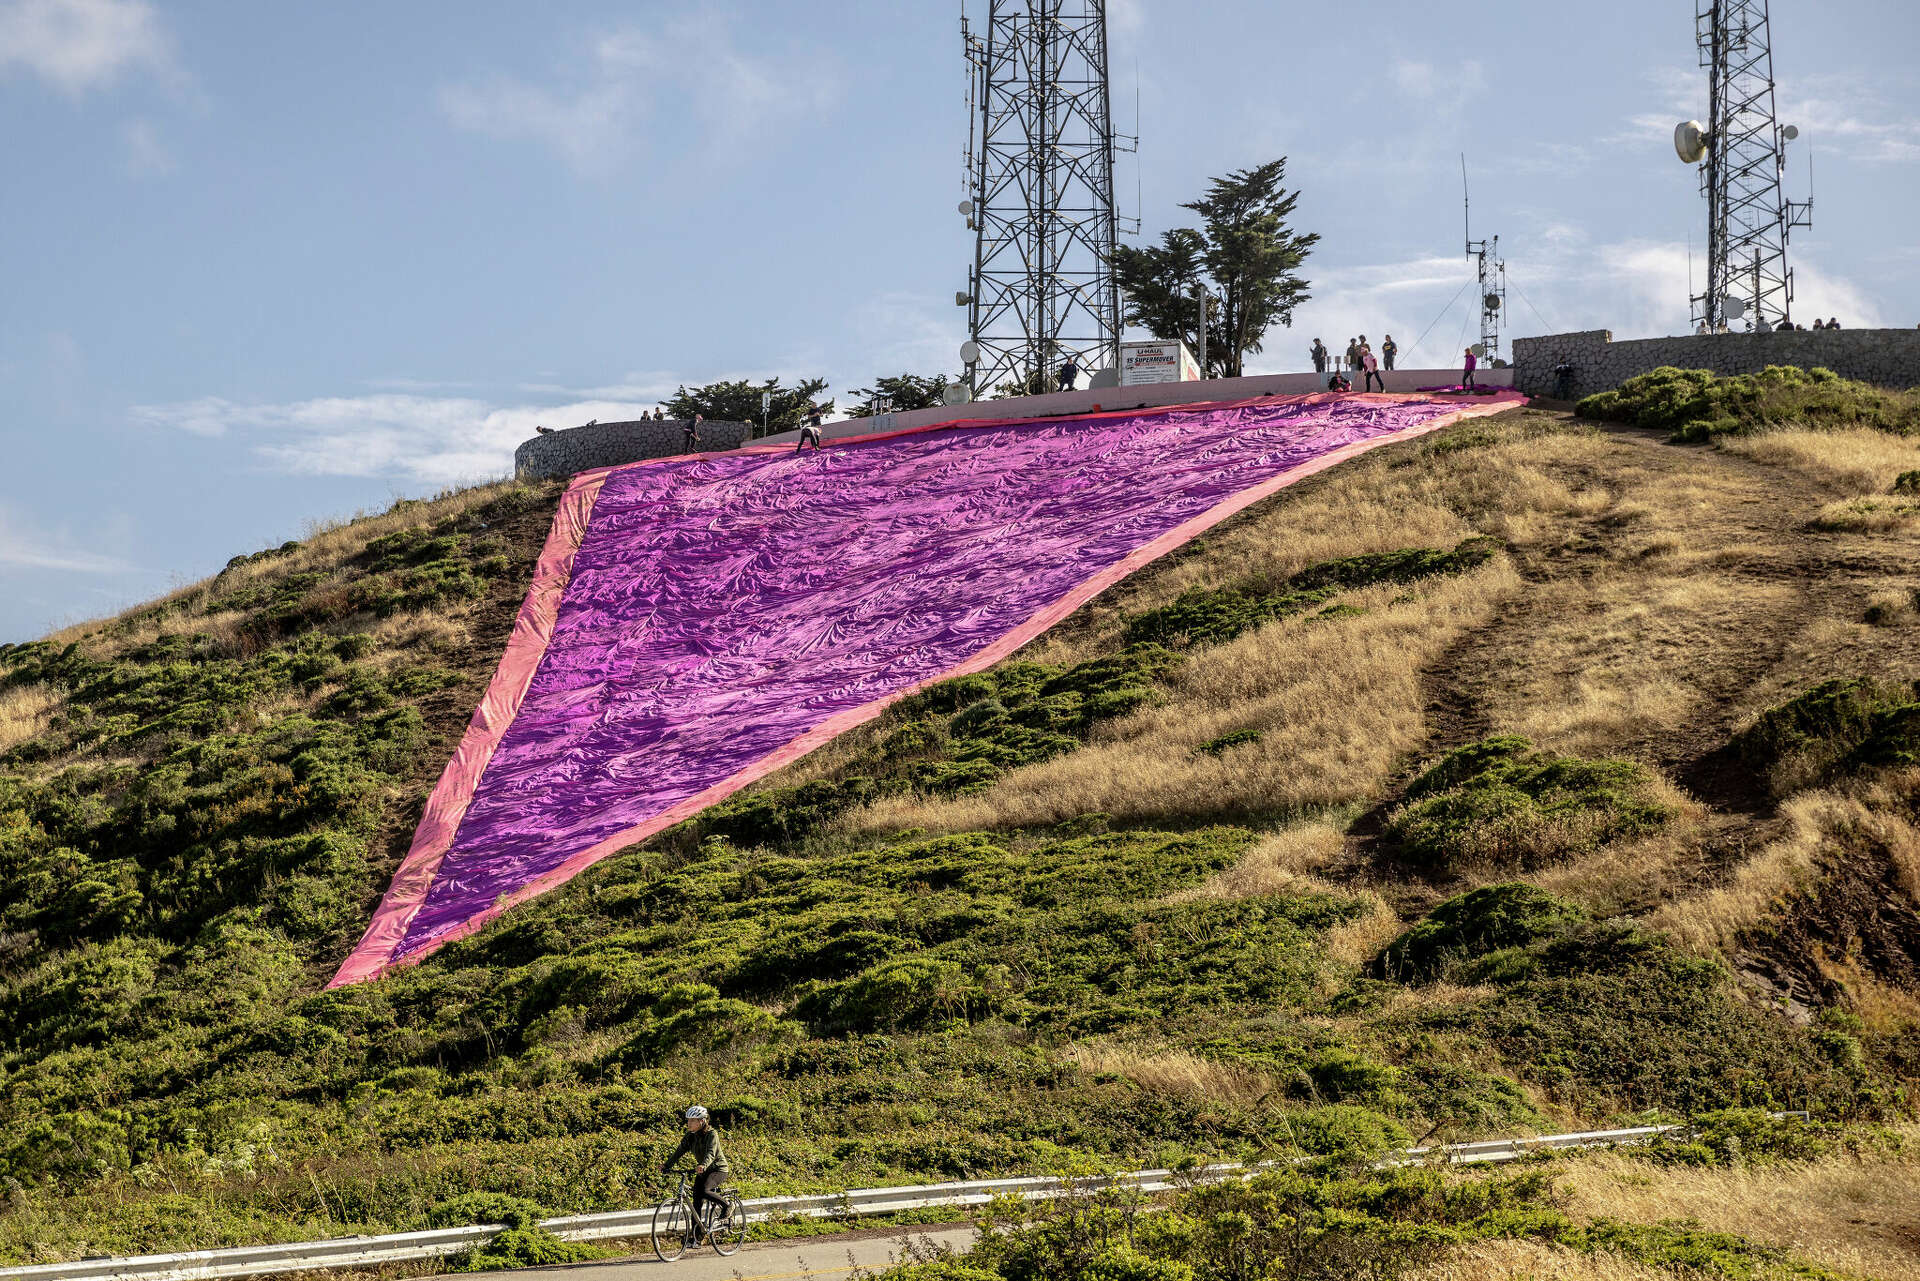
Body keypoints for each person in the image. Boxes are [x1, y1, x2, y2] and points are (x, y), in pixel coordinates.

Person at [662, 1106, 731, 1236]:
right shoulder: (690, 1136)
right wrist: (666, 1165)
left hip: (718, 1169)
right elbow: (679, 1152)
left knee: (705, 1191)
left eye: (693, 1120)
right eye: (688, 1120)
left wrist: (703, 1165)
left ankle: (727, 1205)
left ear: (702, 1121)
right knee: (696, 1202)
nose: (689, 1123)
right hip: (702, 1170)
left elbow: (711, 1153)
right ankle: (696, 1236)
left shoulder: (712, 1134)